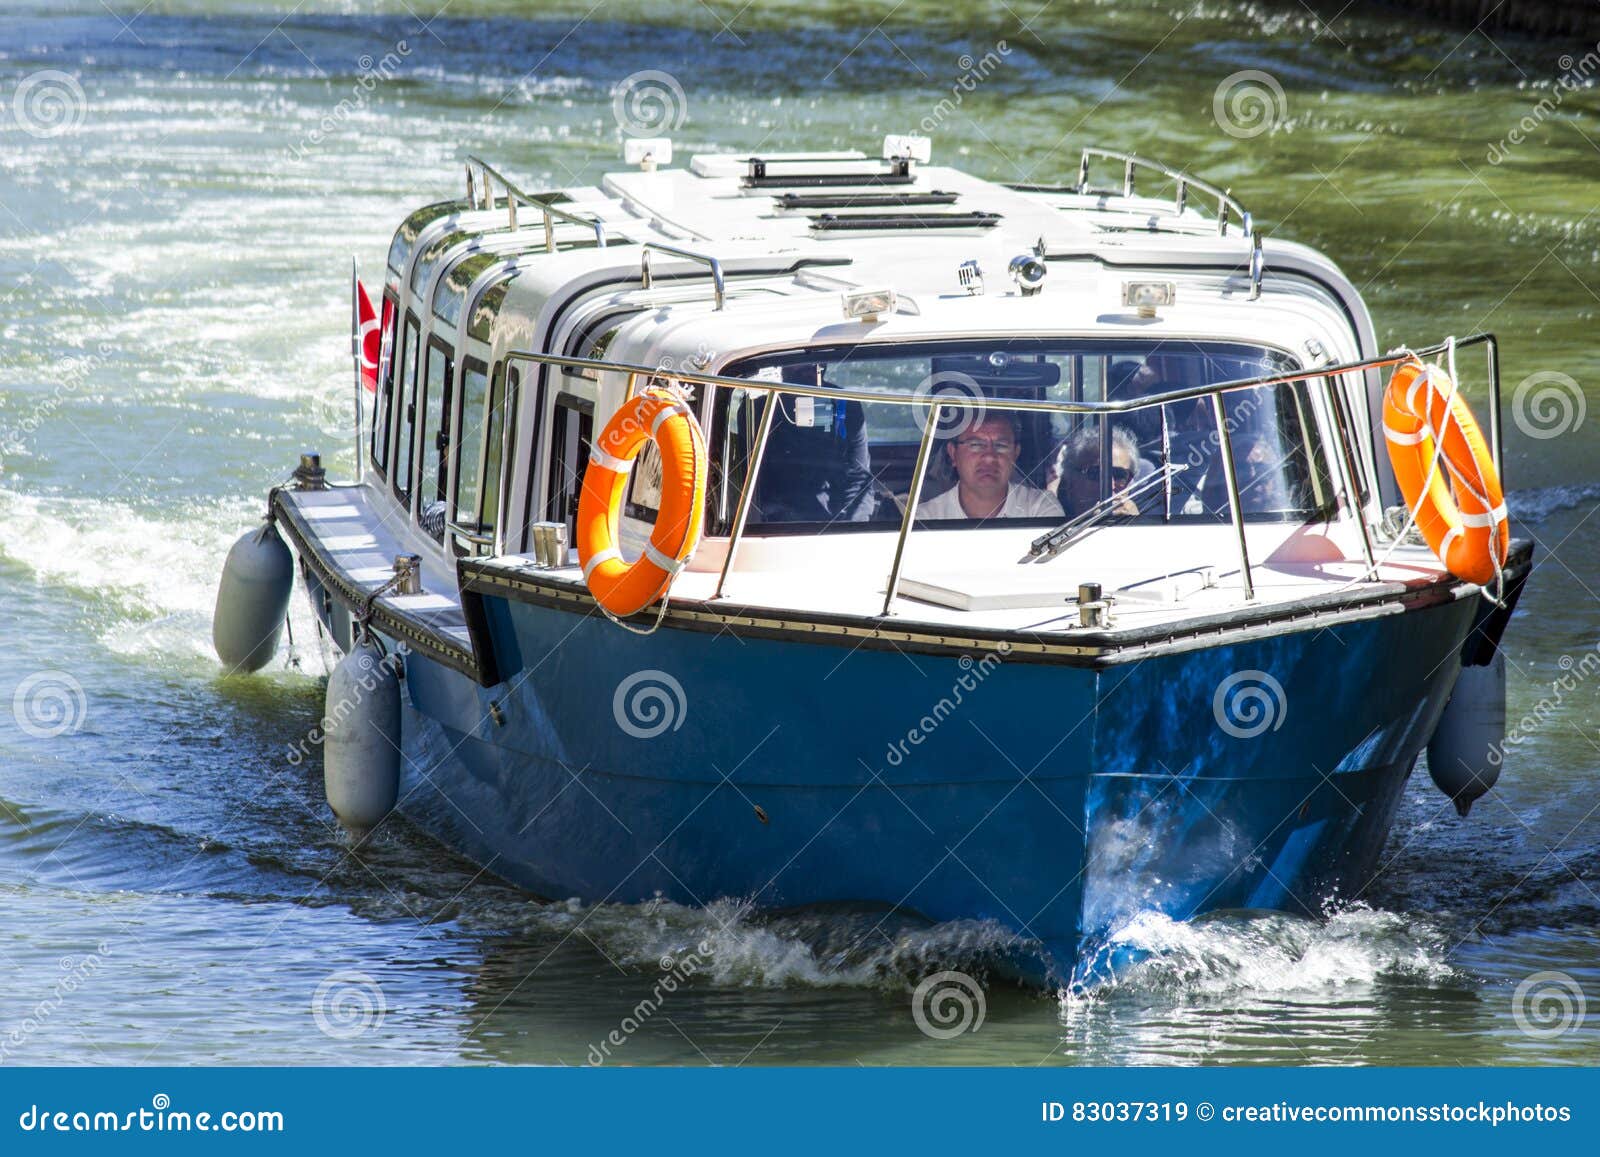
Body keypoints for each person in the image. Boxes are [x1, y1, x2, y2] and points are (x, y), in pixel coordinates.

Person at [917, 413, 1063, 520]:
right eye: (975, 445)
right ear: (953, 454)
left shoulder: (1041, 508)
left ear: (1015, 454)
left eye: (1001, 446)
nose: (989, 457)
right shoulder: (926, 517)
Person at [1053, 423, 1142, 517]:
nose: (1110, 486)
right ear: (1070, 481)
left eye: (1120, 475)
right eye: (1096, 474)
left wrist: (1137, 523)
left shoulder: (1151, 527)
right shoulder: (1047, 522)